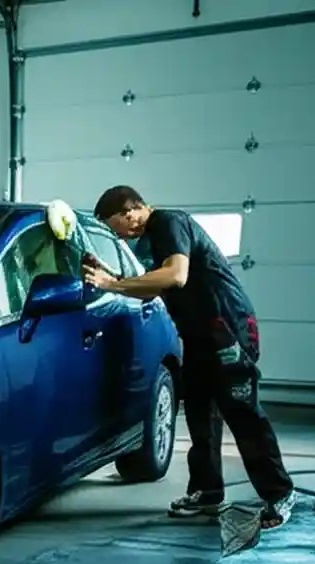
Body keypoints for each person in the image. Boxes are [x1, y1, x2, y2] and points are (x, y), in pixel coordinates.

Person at [81, 186, 296, 530]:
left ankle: (279, 493)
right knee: (200, 415)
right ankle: (207, 492)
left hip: (226, 330)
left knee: (243, 416)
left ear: (129, 212)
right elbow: (153, 287)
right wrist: (114, 277)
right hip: (198, 336)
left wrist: (111, 285)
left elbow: (175, 276)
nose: (116, 235)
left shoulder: (168, 222)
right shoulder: (154, 238)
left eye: (112, 226)